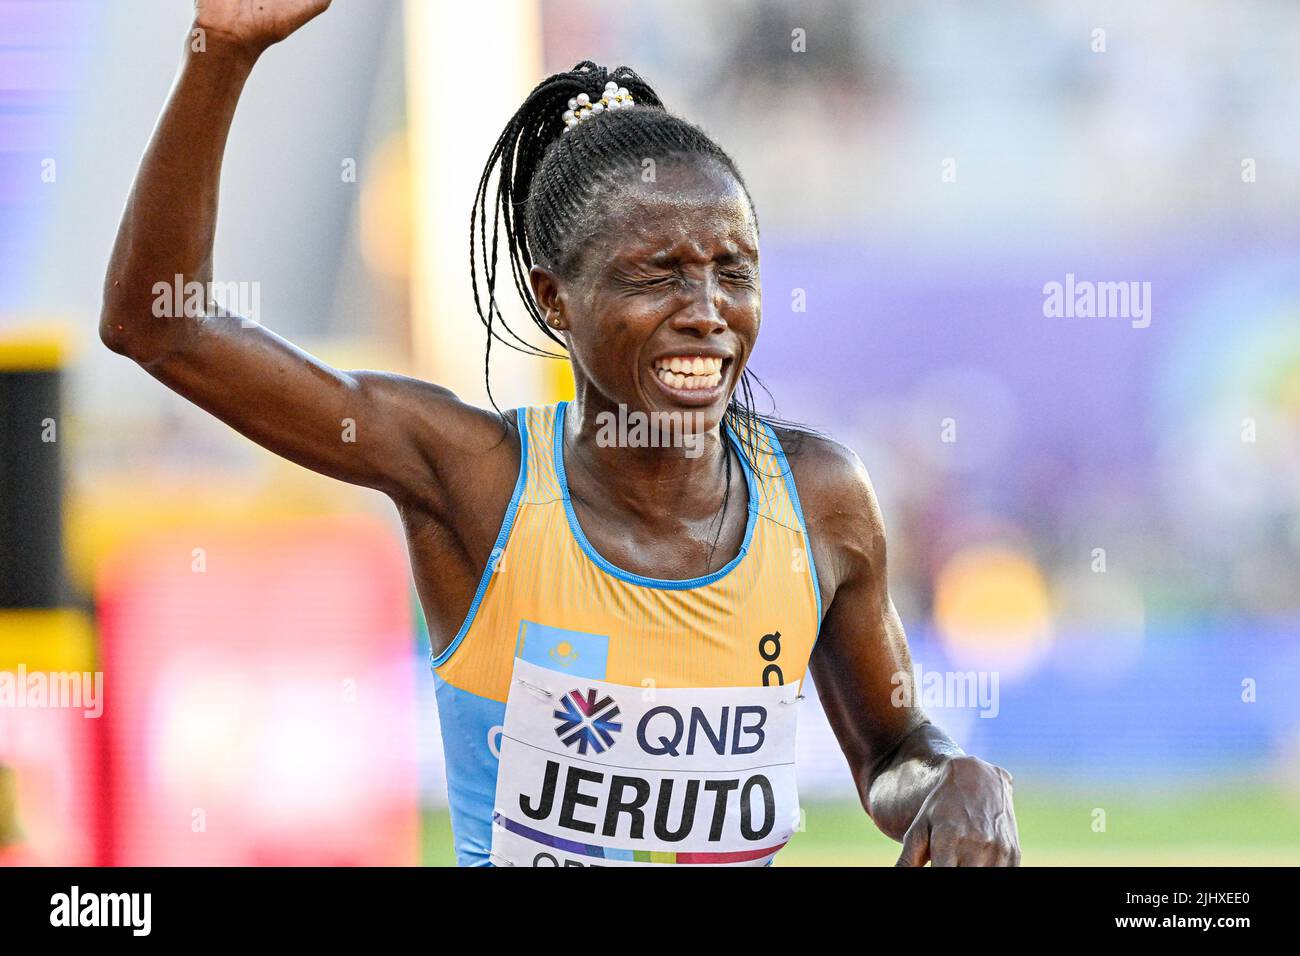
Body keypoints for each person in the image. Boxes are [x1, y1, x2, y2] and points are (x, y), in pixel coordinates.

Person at [100, 0, 1020, 867]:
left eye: (731, 270)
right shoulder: (476, 478)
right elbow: (160, 326)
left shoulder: (821, 498)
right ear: (555, 300)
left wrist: (952, 776)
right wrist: (220, 54)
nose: (706, 310)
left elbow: (892, 750)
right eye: (658, 273)